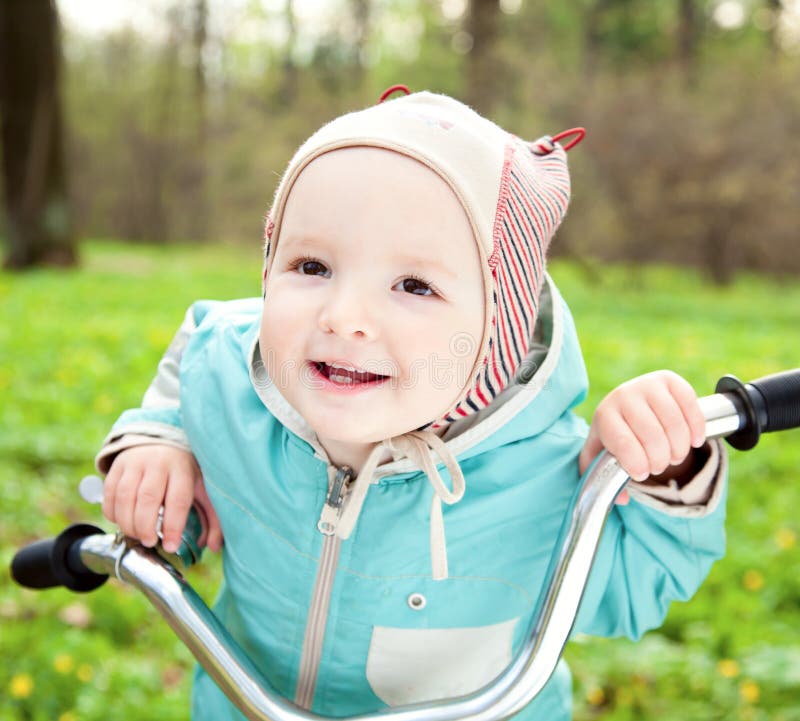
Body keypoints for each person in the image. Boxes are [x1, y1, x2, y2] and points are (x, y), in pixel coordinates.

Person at [96, 89, 727, 720]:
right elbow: (207, 343)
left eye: (414, 285)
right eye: (311, 266)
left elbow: (634, 589)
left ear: (496, 331)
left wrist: (663, 467)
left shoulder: (541, 479)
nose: (344, 318)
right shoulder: (233, 387)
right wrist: (161, 439)